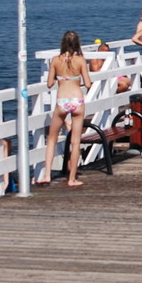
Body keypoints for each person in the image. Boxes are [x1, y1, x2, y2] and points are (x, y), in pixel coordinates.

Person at [40, 30, 91, 188]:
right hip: (77, 100)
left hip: (62, 100)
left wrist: (60, 77)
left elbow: (49, 84)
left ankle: (47, 175)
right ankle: (72, 178)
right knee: (75, 142)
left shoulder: (55, 60)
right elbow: (88, 84)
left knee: (51, 139)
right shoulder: (80, 60)